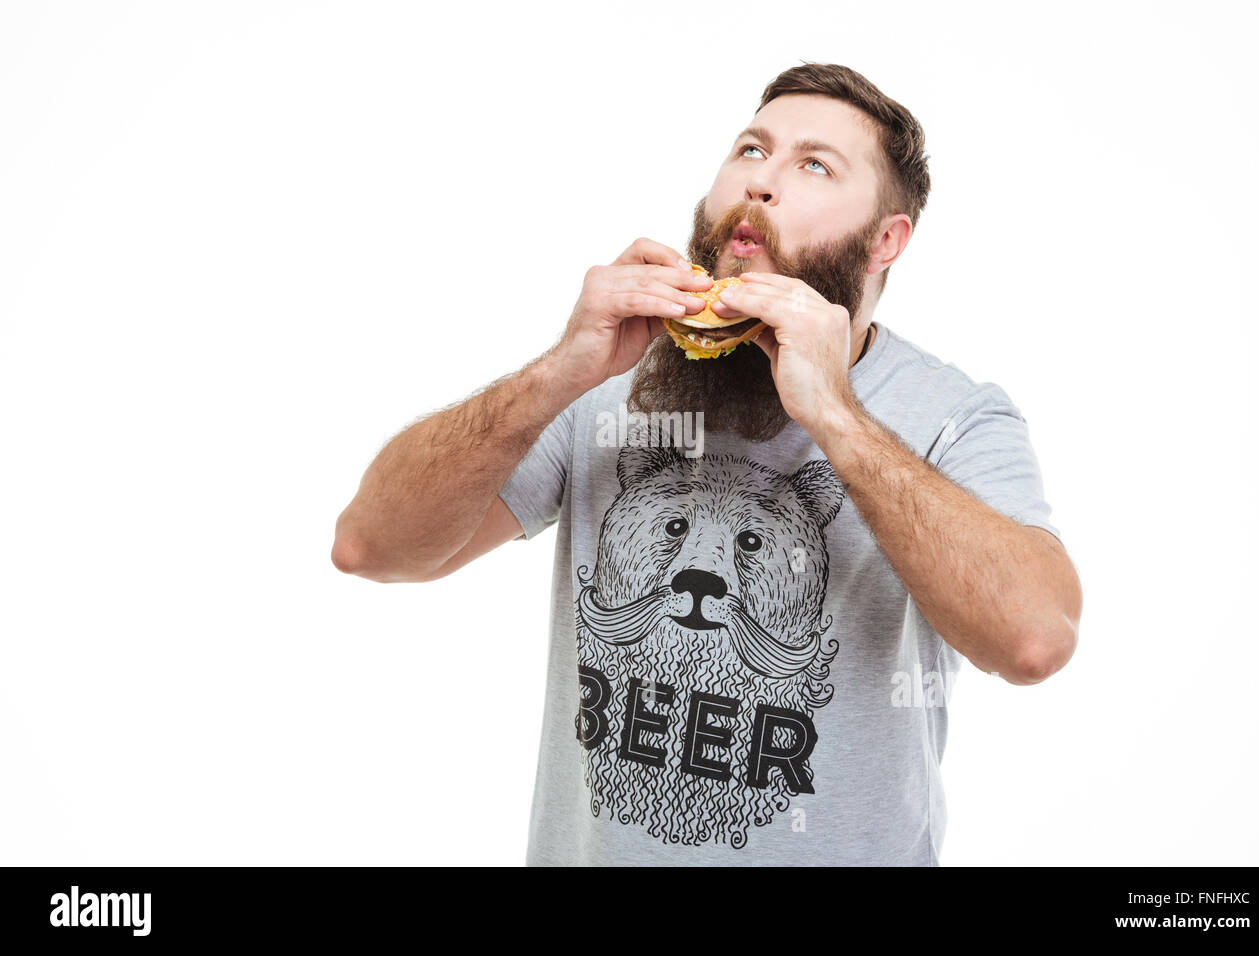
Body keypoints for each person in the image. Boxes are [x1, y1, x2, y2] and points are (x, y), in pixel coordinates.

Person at [331, 62, 1083, 865]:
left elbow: (1035, 640)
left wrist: (834, 413)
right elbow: (371, 547)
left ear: (885, 240)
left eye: (814, 165)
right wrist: (559, 372)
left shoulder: (953, 416)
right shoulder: (611, 383)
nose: (762, 182)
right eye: (751, 150)